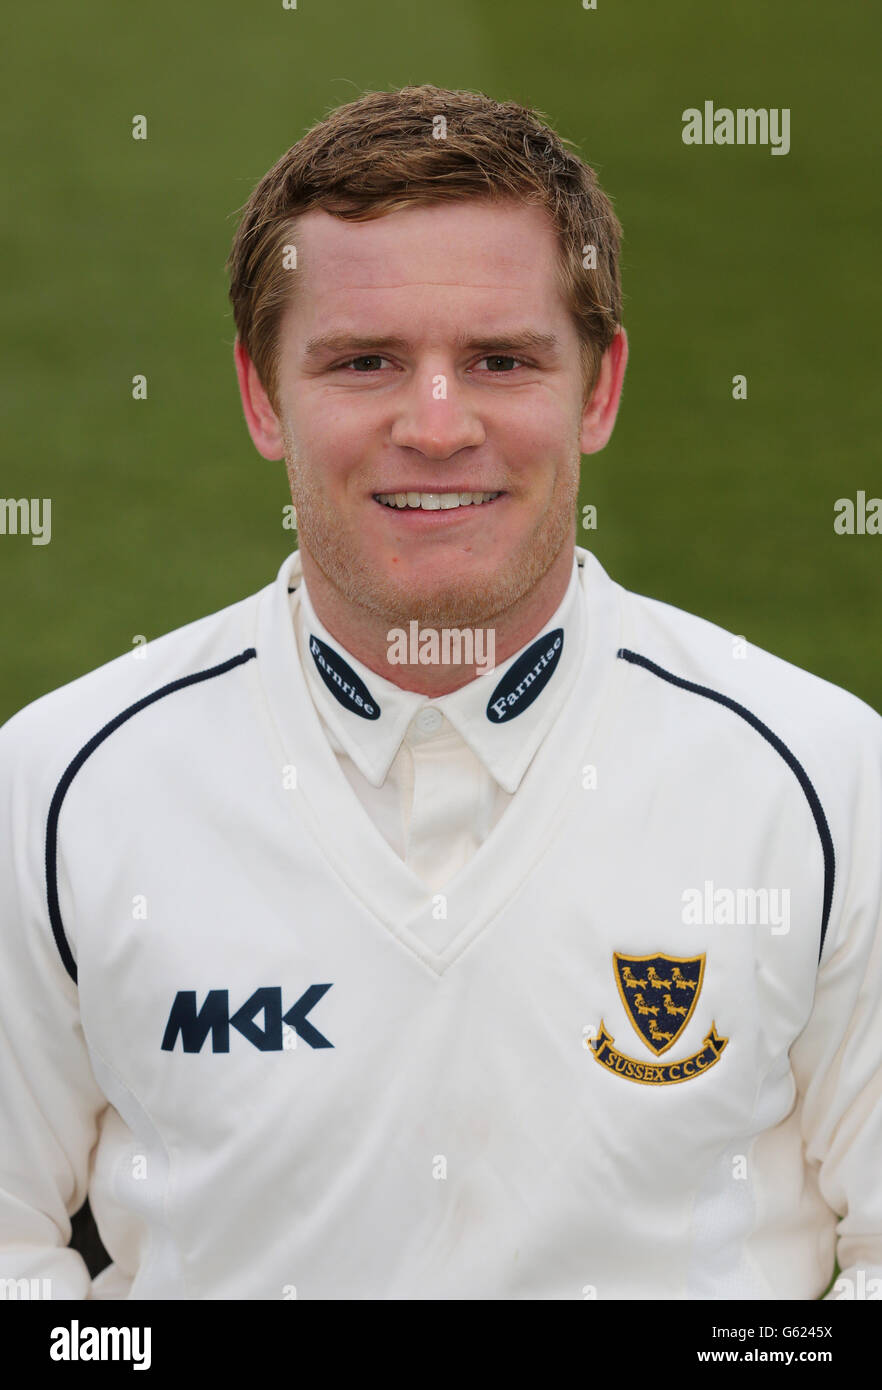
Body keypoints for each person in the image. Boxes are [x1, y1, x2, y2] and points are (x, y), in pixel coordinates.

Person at [0, 83, 879, 1301]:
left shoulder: (828, 776)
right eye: (365, 362)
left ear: (600, 388)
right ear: (263, 396)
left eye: (501, 360)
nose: (437, 423)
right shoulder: (54, 786)